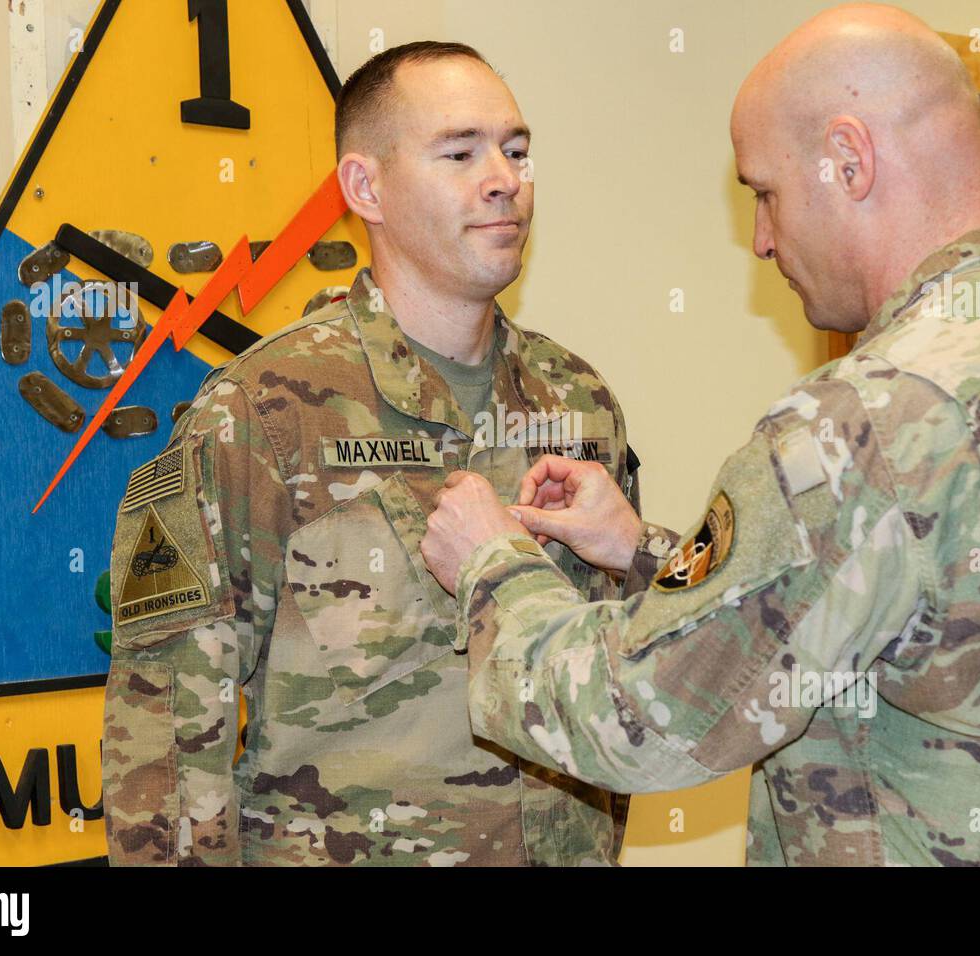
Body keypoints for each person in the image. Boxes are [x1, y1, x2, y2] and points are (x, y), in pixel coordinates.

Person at [420, 3, 980, 866]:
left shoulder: (862, 421)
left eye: (766, 193)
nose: (761, 241)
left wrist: (492, 564)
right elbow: (894, 603)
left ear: (849, 160)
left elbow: (636, 722)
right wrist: (643, 552)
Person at [101, 41, 639, 866]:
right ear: (366, 188)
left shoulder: (579, 402)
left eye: (517, 150)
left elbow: (633, 660)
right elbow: (167, 743)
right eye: (460, 153)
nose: (504, 178)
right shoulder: (256, 414)